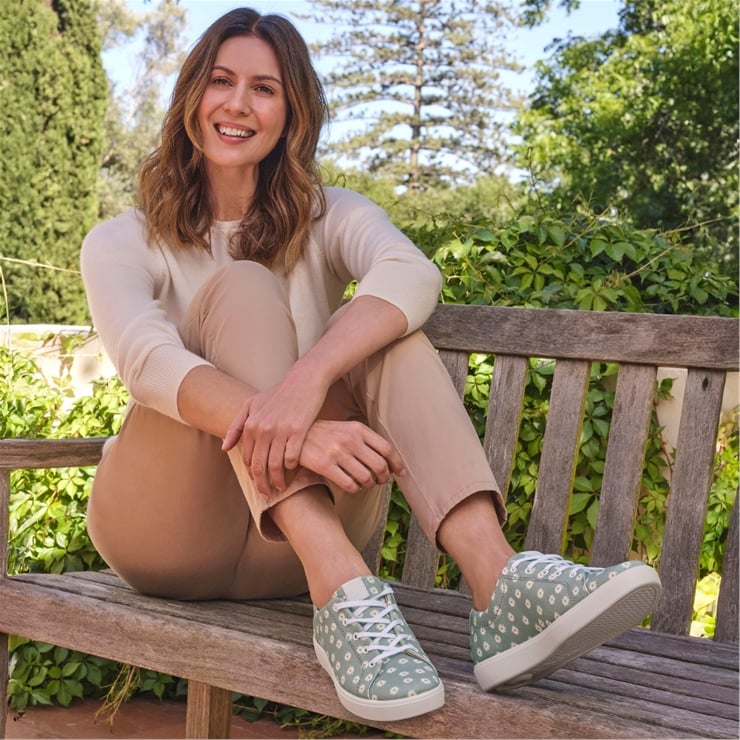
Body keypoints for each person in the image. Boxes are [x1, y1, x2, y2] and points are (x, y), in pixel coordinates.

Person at [80, 7, 662, 724]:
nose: (238, 104)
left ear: (292, 114)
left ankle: (498, 584)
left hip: (285, 559)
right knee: (244, 288)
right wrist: (299, 431)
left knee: (389, 333)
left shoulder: (329, 215)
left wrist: (308, 382)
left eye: (265, 89)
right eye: (221, 81)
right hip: (167, 530)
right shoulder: (123, 238)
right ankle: (344, 586)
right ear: (192, 96)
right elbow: (146, 361)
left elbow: (410, 273)